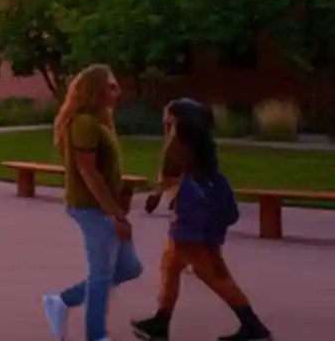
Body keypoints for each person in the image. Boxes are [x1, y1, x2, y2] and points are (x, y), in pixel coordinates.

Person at [130, 99, 272, 341]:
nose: (164, 126)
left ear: (175, 121)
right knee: (172, 264)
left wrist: (160, 196)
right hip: (208, 210)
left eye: (167, 121)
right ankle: (161, 321)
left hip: (192, 218)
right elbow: (175, 177)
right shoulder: (202, 144)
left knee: (208, 272)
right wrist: (157, 195)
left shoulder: (180, 144)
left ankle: (253, 326)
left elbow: (171, 175)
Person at [41, 64, 143, 341]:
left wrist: (122, 194)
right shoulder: (84, 122)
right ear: (94, 89)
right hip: (91, 207)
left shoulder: (100, 119)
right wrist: (115, 216)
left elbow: (105, 168)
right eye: (110, 86)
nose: (117, 90)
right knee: (101, 274)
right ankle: (96, 335)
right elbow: (88, 172)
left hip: (106, 206)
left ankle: (61, 300)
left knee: (130, 267)